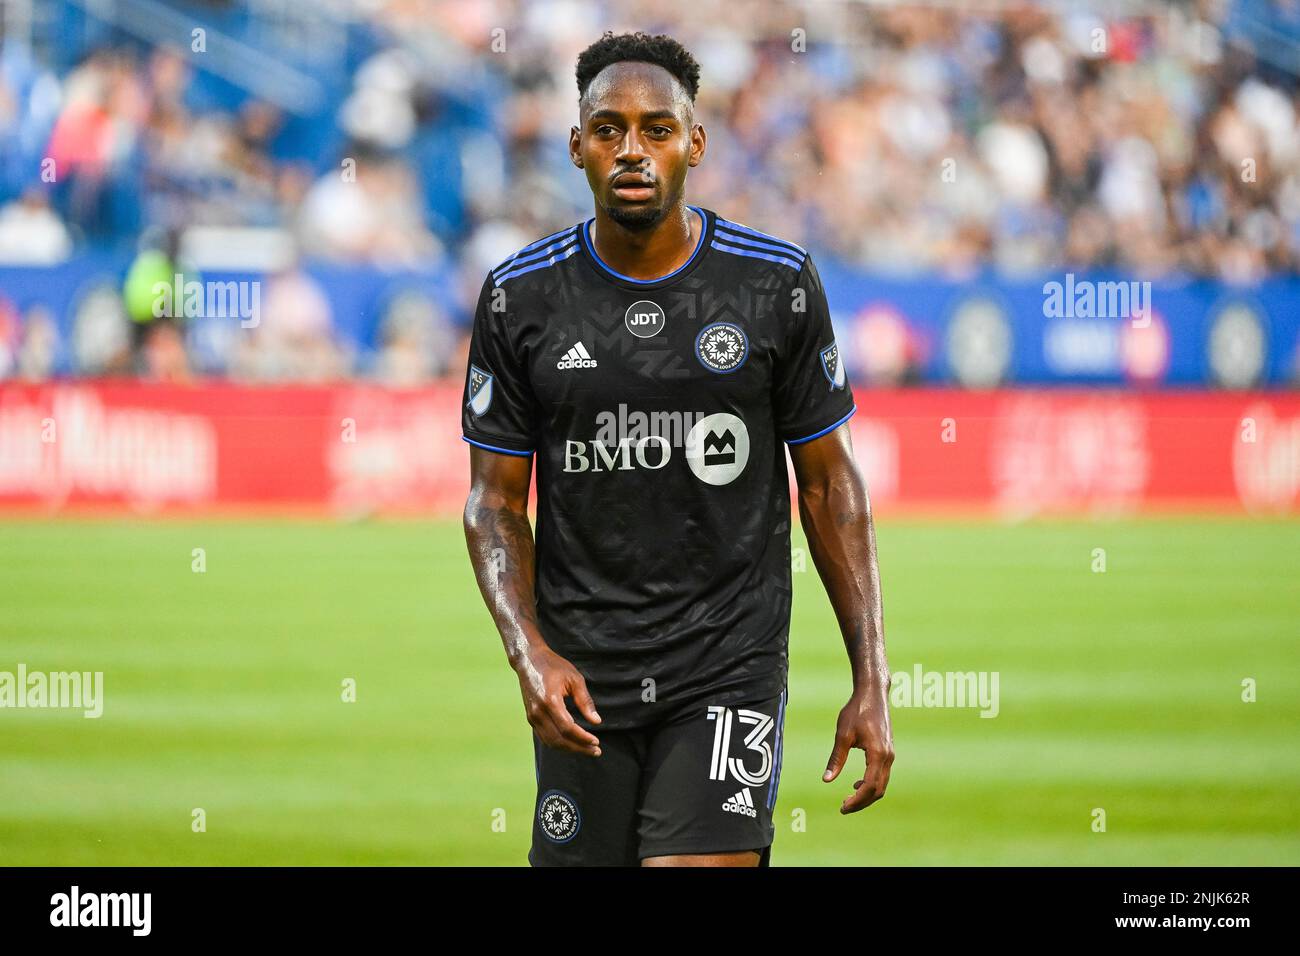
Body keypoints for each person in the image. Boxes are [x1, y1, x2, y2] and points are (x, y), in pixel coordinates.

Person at [461, 31, 893, 867]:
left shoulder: (774, 285)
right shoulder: (521, 299)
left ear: (695, 143)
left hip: (728, 663)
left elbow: (831, 486)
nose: (633, 149)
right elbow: (495, 502)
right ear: (576, 144)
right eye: (610, 128)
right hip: (582, 676)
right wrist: (530, 651)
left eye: (658, 129)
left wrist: (872, 677)